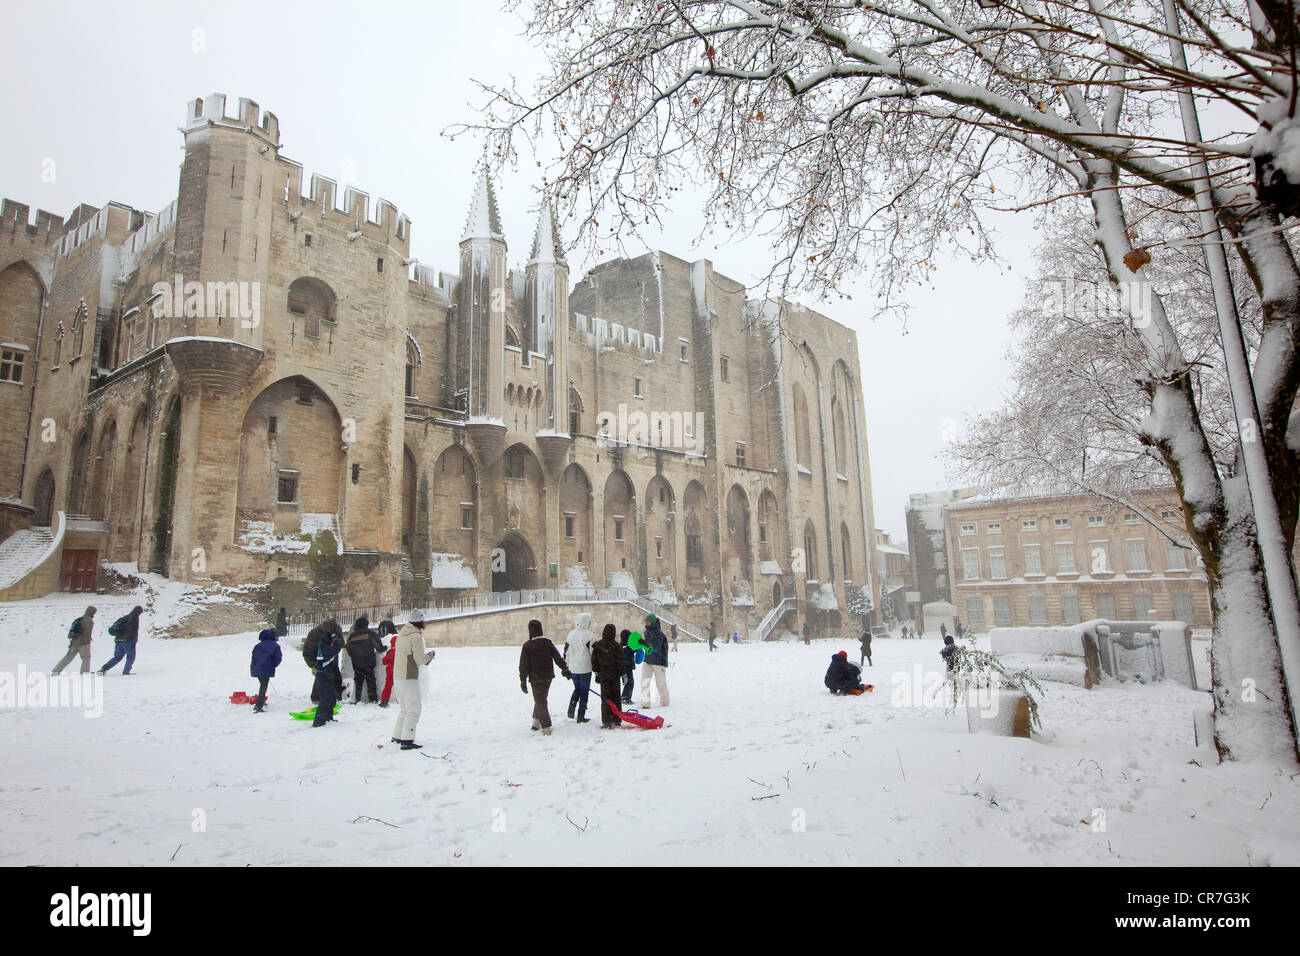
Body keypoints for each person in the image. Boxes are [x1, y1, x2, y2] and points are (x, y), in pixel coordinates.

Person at [519, 619, 571, 735]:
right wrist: (564, 668)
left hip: (536, 677)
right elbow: (557, 657)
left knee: (540, 700)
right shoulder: (547, 642)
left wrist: (523, 679)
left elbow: (524, 665)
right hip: (548, 676)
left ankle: (546, 727)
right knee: (541, 698)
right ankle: (536, 722)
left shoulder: (528, 645)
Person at [391, 609, 433, 750]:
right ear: (420, 622)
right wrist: (429, 657)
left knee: (404, 708)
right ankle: (407, 740)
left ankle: (397, 736)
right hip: (408, 676)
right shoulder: (415, 637)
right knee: (413, 708)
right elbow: (420, 659)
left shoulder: (401, 635)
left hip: (397, 676)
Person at [591, 623, 629, 729]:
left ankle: (606, 720)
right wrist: (623, 673)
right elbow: (621, 661)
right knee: (616, 697)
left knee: (605, 699)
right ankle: (617, 719)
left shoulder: (598, 645)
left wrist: (596, 672)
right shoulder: (616, 646)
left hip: (604, 675)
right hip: (615, 675)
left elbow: (594, 660)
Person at [563, 612, 597, 724]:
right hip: (585, 668)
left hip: (573, 667)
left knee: (577, 688)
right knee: (584, 692)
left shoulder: (570, 635)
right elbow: (594, 653)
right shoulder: (590, 636)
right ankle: (581, 715)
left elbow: (566, 652)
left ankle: (571, 707)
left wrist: (566, 666)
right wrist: (597, 669)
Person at [345, 615, 384, 703]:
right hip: (368, 660)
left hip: (356, 662)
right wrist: (382, 648)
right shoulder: (369, 633)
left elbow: (348, 650)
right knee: (370, 679)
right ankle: (372, 699)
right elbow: (378, 646)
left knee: (358, 680)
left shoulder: (351, 636)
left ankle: (357, 698)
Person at [302, 619, 343, 703]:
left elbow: (340, 643)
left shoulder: (337, 630)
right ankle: (316, 697)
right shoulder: (315, 634)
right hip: (317, 657)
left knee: (335, 674)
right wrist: (313, 665)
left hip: (331, 655)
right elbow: (307, 651)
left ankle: (338, 696)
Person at [312, 625, 345, 727]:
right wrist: (336, 642)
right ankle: (318, 722)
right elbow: (335, 650)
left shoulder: (324, 645)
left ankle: (328, 718)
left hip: (327, 674)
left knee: (331, 698)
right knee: (325, 699)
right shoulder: (324, 646)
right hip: (323, 675)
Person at [98, 605, 144, 675]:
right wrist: (134, 640)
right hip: (128, 641)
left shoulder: (125, 618)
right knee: (131, 657)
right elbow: (133, 631)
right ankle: (126, 672)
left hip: (118, 641)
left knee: (117, 657)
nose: (140, 614)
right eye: (140, 613)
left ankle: (103, 669)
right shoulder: (134, 619)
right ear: (138, 612)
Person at [53, 606, 96, 675]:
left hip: (74, 641)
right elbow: (87, 633)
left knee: (68, 657)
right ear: (92, 612)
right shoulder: (89, 620)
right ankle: (85, 672)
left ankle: (55, 671)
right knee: (86, 657)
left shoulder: (79, 619)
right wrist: (87, 643)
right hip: (82, 643)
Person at [640, 613, 669, 708]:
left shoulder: (660, 634)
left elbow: (655, 647)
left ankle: (665, 702)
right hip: (648, 660)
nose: (645, 623)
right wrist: (642, 644)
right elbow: (648, 647)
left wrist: (645, 643)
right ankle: (645, 703)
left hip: (659, 662)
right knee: (645, 681)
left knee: (660, 683)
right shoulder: (647, 632)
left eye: (647, 622)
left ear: (652, 622)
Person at [250, 627, 282, 713]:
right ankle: (258, 705)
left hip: (256, 667)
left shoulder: (258, 645)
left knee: (262, 685)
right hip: (266, 668)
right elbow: (278, 658)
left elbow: (254, 657)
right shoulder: (275, 645)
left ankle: (260, 702)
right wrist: (274, 665)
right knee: (264, 686)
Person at [619, 629, 636, 704]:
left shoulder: (620, 645)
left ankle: (623, 696)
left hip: (621, 667)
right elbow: (635, 649)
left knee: (626, 682)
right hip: (627, 667)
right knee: (629, 682)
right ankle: (625, 697)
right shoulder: (629, 646)